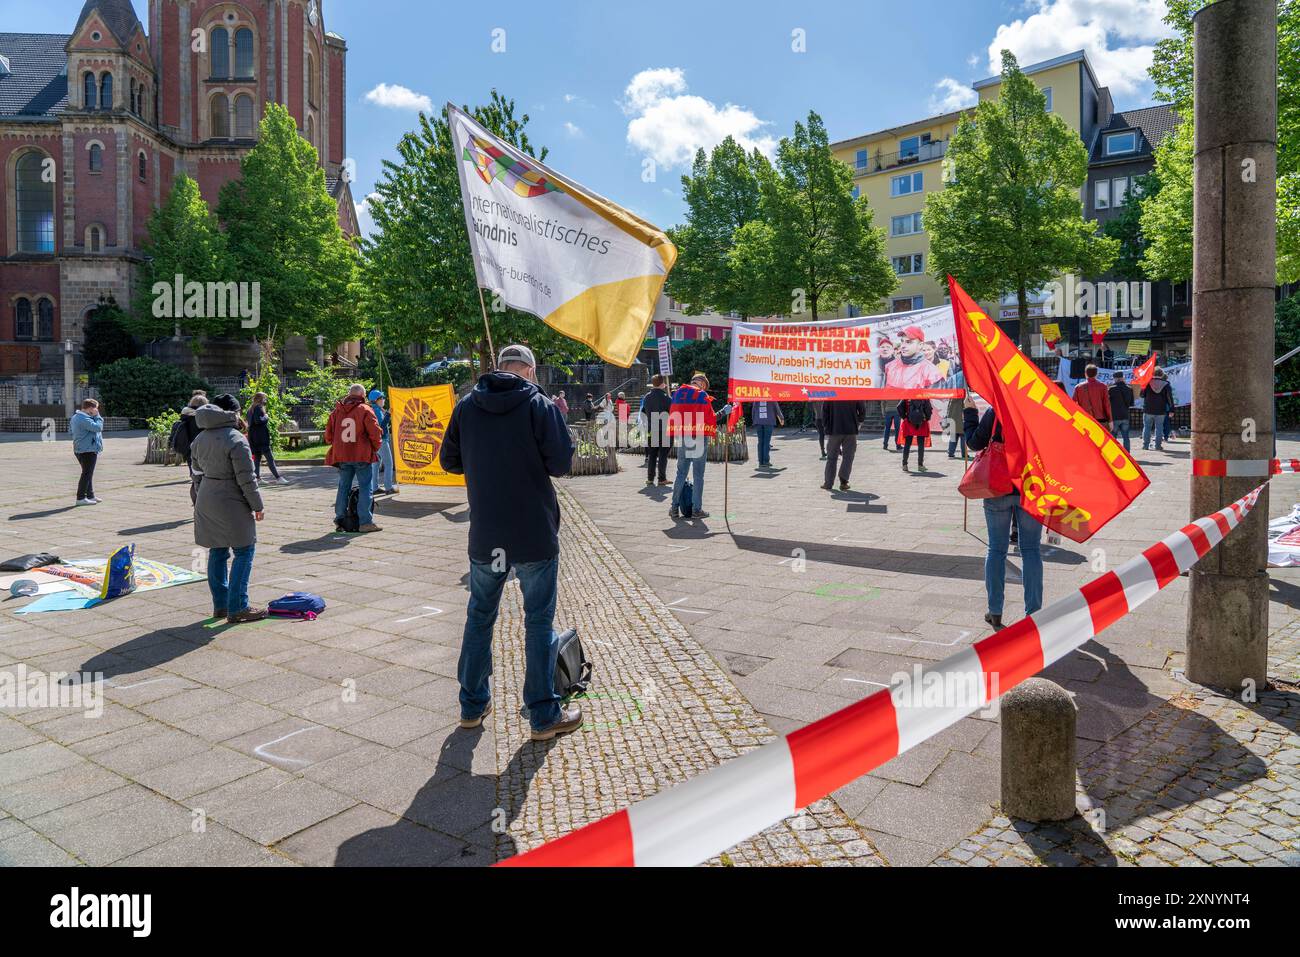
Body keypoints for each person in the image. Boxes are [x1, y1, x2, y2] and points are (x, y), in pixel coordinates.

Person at [439, 343, 581, 742]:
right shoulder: (539, 405)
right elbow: (562, 464)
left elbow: (448, 461)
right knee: (538, 620)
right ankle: (542, 714)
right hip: (533, 530)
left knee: (480, 616)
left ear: (497, 368)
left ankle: (471, 704)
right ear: (531, 371)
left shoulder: (467, 406)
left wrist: (486, 459)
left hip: (488, 532)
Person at [190, 396, 267, 624]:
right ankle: (239, 606)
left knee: (217, 550)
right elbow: (246, 479)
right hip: (231, 498)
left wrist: (200, 496)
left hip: (206, 495)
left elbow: (196, 473)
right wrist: (257, 505)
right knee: (244, 550)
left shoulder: (199, 438)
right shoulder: (236, 439)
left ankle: (221, 605)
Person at [965, 405, 1043, 630]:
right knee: (1031, 550)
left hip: (998, 487)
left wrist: (969, 414)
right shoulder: (1037, 410)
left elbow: (974, 443)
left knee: (996, 550)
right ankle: (1034, 614)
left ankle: (995, 611)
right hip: (1030, 488)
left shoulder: (996, 411)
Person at [325, 384, 384, 533]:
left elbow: (328, 436)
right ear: (362, 395)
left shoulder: (336, 411)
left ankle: (340, 520)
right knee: (365, 487)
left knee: (343, 486)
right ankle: (365, 522)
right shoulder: (365, 410)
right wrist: (374, 448)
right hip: (361, 454)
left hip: (342, 455)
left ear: (349, 395)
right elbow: (375, 433)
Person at [669, 372, 718, 519]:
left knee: (681, 474)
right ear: (702, 384)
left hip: (684, 436)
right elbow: (711, 418)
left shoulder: (678, 393)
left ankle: (674, 508)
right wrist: (725, 411)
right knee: (698, 475)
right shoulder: (702, 395)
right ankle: (697, 510)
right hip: (699, 437)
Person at [822, 399, 865, 491]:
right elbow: (862, 409)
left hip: (834, 429)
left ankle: (828, 483)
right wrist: (858, 421)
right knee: (848, 457)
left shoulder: (831, 392)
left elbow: (825, 411)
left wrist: (826, 427)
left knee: (831, 457)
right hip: (851, 429)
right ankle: (843, 481)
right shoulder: (855, 391)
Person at [884, 326, 942, 390]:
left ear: (920, 345)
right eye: (902, 341)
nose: (903, 346)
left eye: (908, 342)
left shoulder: (931, 372)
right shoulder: (890, 366)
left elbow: (938, 398)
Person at [640, 374, 672, 486]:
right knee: (663, 455)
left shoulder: (647, 397)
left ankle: (650, 478)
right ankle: (661, 478)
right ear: (663, 384)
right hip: (664, 430)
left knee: (652, 454)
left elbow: (643, 412)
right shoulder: (667, 398)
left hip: (652, 429)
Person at [70, 398, 103, 505]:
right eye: (96, 409)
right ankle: (80, 498)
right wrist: (98, 416)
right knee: (86, 474)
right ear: (90, 408)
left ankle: (90, 495)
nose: (97, 411)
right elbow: (98, 428)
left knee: (88, 474)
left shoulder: (77, 417)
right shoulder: (83, 418)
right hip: (87, 450)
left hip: (82, 448)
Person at [247, 392, 285, 484]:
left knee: (257, 457)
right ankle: (278, 478)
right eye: (264, 398)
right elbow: (258, 421)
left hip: (253, 436)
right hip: (261, 437)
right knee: (269, 458)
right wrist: (266, 417)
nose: (265, 400)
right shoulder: (258, 408)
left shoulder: (250, 409)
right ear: (260, 399)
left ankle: (258, 478)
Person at [368, 389, 398, 496]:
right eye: (382, 398)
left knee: (375, 464)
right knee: (389, 464)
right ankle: (389, 487)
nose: (384, 400)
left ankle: (374, 487)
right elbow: (381, 426)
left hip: (374, 441)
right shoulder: (377, 411)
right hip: (382, 441)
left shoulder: (373, 409)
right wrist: (388, 414)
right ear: (377, 400)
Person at [1071, 364, 1113, 431]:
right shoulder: (1103, 386)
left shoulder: (1078, 387)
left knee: (1085, 441)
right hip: (1101, 419)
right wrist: (1110, 420)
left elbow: (1073, 404)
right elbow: (1107, 404)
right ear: (1096, 374)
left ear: (1085, 374)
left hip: (1084, 419)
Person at [897, 397, 933, 472]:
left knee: (907, 444)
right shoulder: (924, 396)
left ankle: (904, 465)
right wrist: (926, 418)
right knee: (921, 445)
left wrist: (905, 417)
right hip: (922, 423)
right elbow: (929, 409)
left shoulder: (907, 395)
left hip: (909, 423)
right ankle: (920, 465)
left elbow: (899, 407)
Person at [1141, 368, 1173, 451]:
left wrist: (1143, 386)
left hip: (1148, 409)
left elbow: (1142, 395)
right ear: (1162, 374)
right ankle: (1158, 446)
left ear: (1153, 373)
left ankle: (1145, 445)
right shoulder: (1166, 384)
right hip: (1161, 410)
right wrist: (1171, 409)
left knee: (1147, 427)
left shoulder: (1147, 383)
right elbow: (1169, 398)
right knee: (1159, 428)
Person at [751, 399, 784, 468]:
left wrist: (754, 420)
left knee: (760, 442)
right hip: (769, 421)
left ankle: (760, 461)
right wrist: (781, 418)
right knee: (766, 442)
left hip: (758, 421)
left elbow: (753, 410)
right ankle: (766, 461)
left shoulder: (756, 397)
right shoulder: (772, 397)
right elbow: (776, 408)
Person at [1108, 371, 1134, 452]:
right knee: (1126, 437)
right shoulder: (1129, 388)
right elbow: (1131, 403)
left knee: (1113, 437)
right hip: (1125, 415)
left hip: (1114, 416)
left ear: (1115, 379)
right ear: (1123, 378)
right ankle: (1127, 454)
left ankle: (1114, 454)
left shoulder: (1111, 389)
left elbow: (1107, 403)